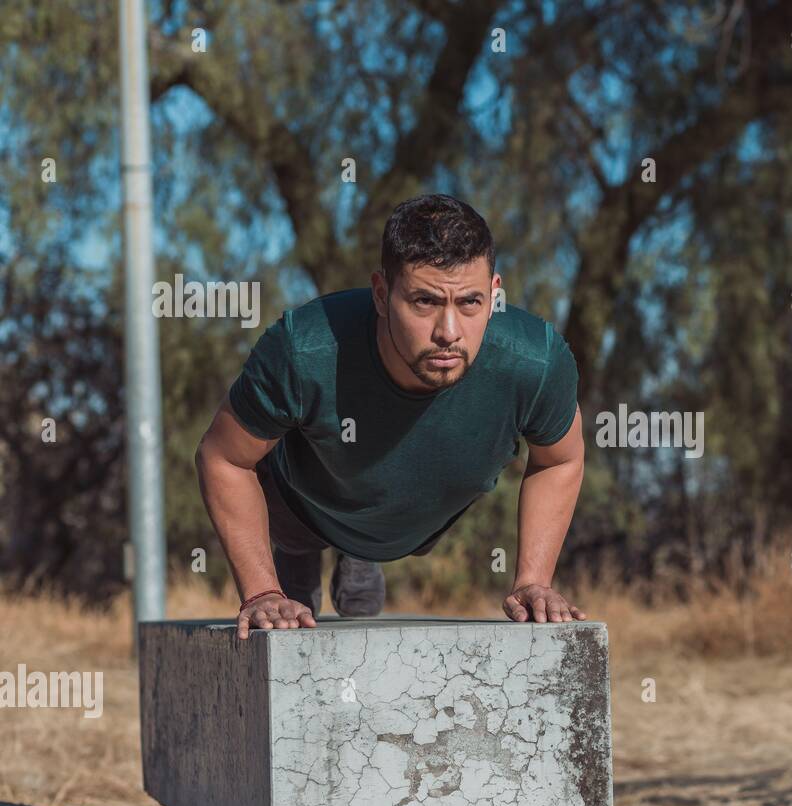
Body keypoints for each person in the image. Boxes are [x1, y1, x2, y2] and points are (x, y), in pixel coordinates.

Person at [194, 194, 587, 639]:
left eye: (471, 303)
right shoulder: (304, 350)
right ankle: (299, 555)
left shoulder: (536, 363)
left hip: (413, 521)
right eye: (424, 301)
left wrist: (534, 580)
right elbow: (223, 457)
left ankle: (359, 551)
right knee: (290, 597)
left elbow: (560, 459)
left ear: (495, 293)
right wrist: (261, 590)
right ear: (381, 294)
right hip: (304, 499)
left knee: (372, 546)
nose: (449, 333)